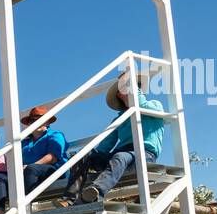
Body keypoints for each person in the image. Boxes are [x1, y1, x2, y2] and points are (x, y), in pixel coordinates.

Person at [61, 71, 165, 206]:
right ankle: (69, 199)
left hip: (145, 154)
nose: (129, 90)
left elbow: (141, 105)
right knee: (84, 155)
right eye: (125, 88)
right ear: (119, 95)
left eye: (132, 87)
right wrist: (90, 157)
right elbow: (105, 146)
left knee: (120, 157)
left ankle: (95, 192)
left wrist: (129, 83)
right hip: (121, 155)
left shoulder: (154, 105)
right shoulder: (119, 119)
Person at [0, 104, 67, 208]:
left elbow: (52, 158)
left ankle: (26, 208)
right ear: (29, 124)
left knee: (31, 169)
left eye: (40, 120)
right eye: (32, 121)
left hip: (52, 172)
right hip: (26, 176)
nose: (36, 123)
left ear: (47, 122)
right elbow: (14, 161)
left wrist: (29, 166)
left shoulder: (55, 135)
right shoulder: (23, 142)